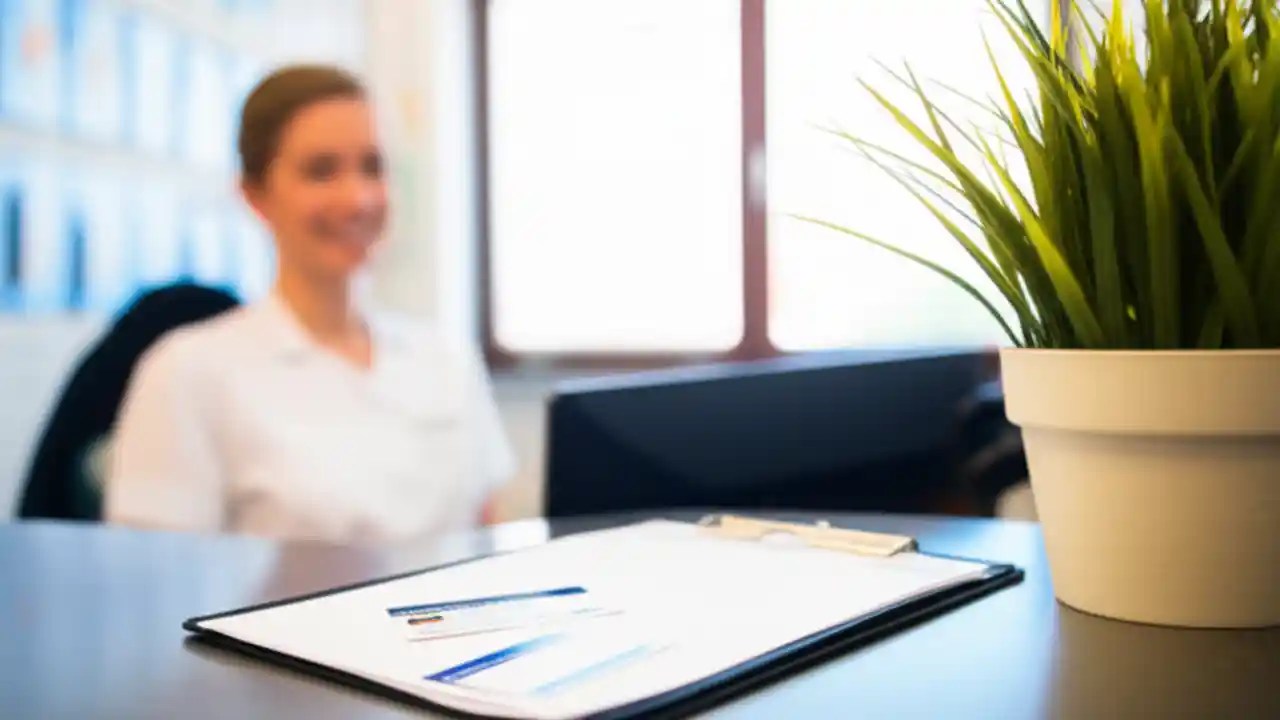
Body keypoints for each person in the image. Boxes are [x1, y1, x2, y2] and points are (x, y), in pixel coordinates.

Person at [105, 65, 514, 543]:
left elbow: (489, 543)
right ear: (255, 195)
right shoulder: (187, 372)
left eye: (373, 167)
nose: (357, 198)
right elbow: (158, 583)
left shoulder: (446, 359)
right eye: (321, 171)